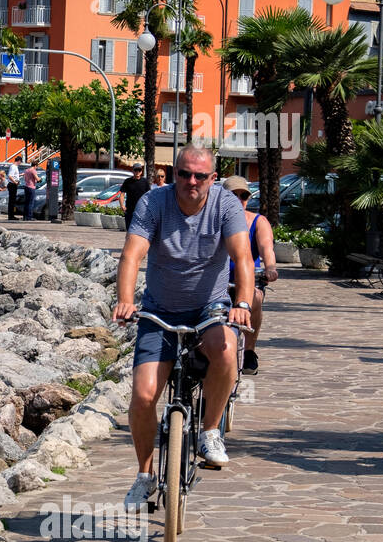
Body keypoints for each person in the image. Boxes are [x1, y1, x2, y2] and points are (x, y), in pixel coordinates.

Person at [113, 145, 255, 509]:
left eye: (200, 176)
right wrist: (125, 299)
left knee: (225, 348)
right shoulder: (154, 203)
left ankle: (210, 429)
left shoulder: (225, 205)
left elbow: (242, 258)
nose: (191, 182)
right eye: (183, 174)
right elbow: (132, 254)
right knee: (144, 397)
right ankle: (145, 475)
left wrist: (241, 304)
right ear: (173, 173)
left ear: (213, 178)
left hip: (210, 308)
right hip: (159, 311)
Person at [223, 175, 278, 374]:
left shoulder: (257, 221)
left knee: (255, 297)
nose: (239, 200)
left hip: (248, 281)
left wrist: (270, 267)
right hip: (217, 282)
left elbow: (266, 248)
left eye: (243, 195)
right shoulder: (212, 219)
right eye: (233, 195)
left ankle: (249, 351)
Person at [121, 162, 151, 229]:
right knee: (129, 229)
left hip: (142, 210)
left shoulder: (145, 182)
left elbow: (149, 195)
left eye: (139, 170)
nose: (137, 172)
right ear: (133, 171)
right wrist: (122, 205)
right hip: (130, 210)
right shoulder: (127, 181)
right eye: (136, 170)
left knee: (140, 230)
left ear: (141, 171)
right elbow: (122, 194)